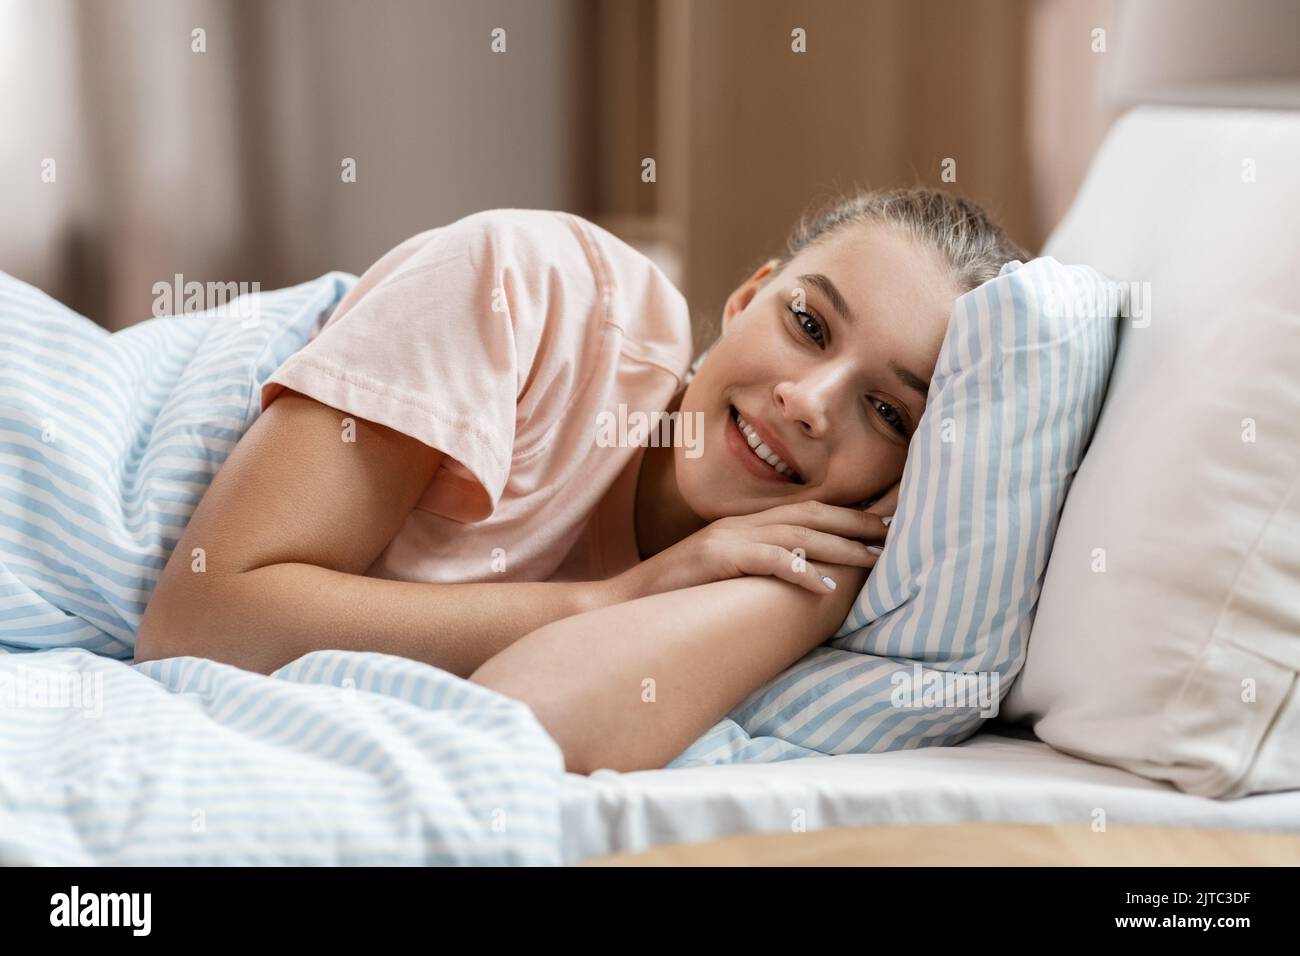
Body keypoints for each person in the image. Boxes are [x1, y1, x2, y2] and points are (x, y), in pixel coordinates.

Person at [135, 188, 1027, 772]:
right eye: (807, 323)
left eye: (889, 414)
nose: (808, 401)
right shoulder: (537, 292)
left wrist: (816, 586)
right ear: (749, 296)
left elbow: (517, 735)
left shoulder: (770, 593)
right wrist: (618, 596)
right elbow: (197, 620)